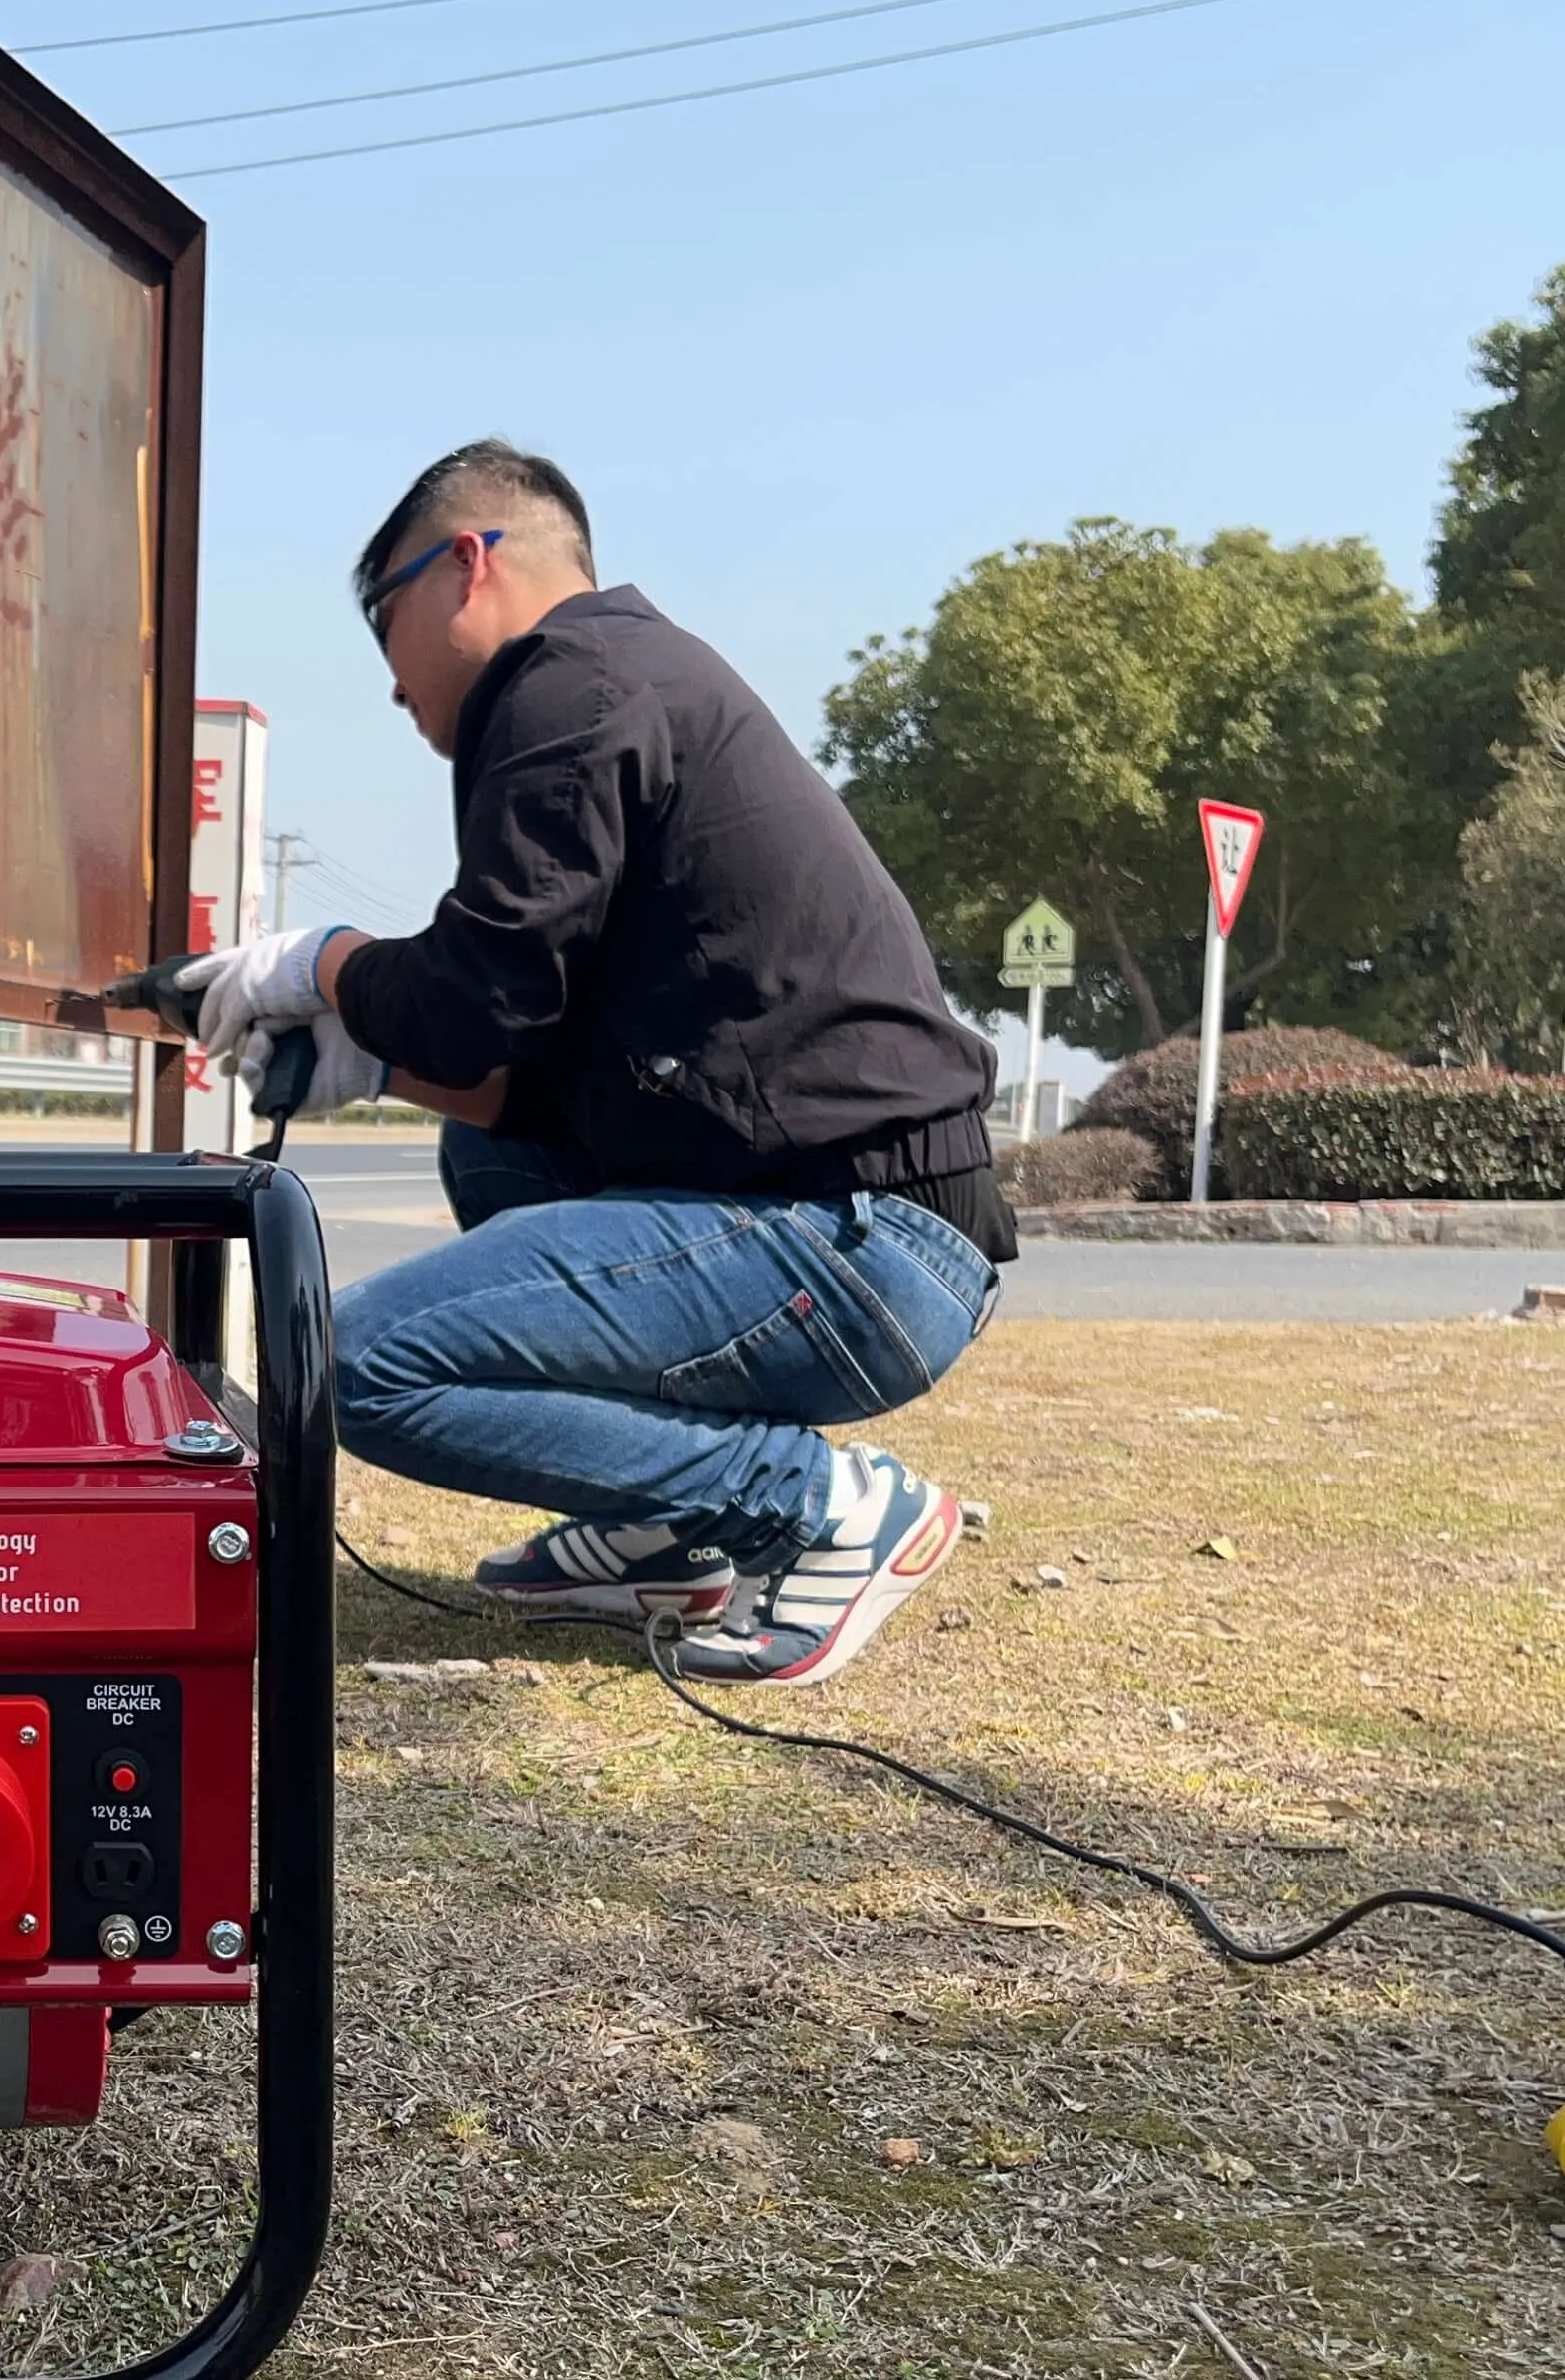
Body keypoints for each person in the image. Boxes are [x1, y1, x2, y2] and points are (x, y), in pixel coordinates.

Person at [185, 441, 1013, 1685]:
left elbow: (474, 997)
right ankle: (676, 1535)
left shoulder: (565, 680)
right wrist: (366, 1054)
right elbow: (511, 1071)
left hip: (860, 1244)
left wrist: (324, 961)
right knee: (490, 1147)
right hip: (862, 1227)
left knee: (352, 1359)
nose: (397, 692)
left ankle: (816, 1504)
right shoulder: (630, 679)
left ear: (468, 562)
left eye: (388, 622)